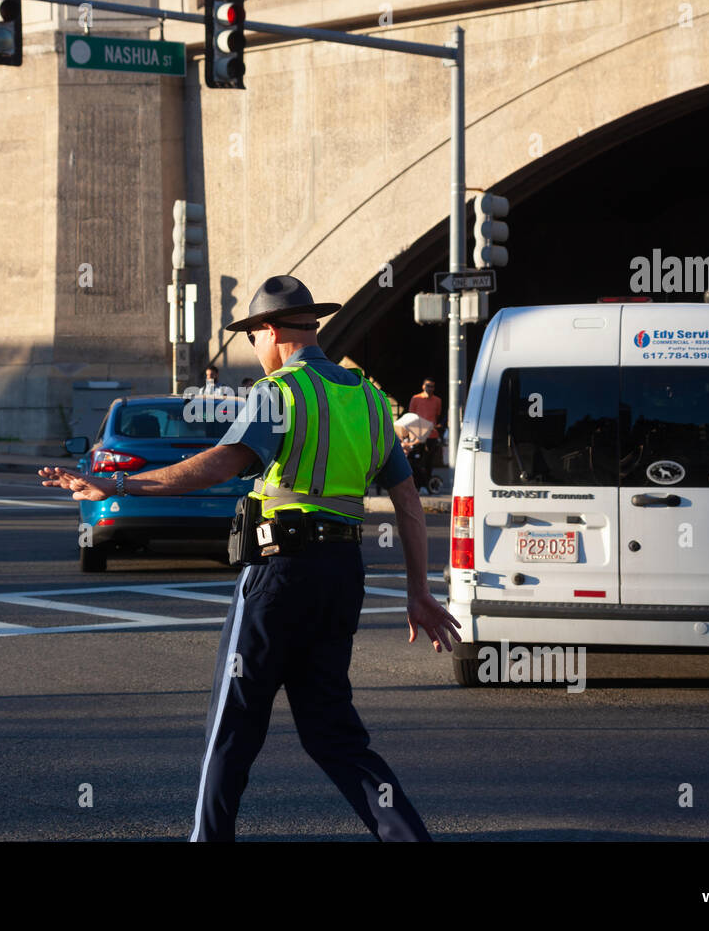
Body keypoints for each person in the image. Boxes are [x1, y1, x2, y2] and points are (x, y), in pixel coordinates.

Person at [39, 275, 460, 841]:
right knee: (335, 735)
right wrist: (418, 592)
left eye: (252, 338)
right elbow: (408, 504)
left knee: (232, 727)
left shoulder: (279, 393)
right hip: (341, 577)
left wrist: (117, 486)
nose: (254, 352)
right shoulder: (366, 397)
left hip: (278, 576)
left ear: (268, 331)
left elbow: (217, 465)